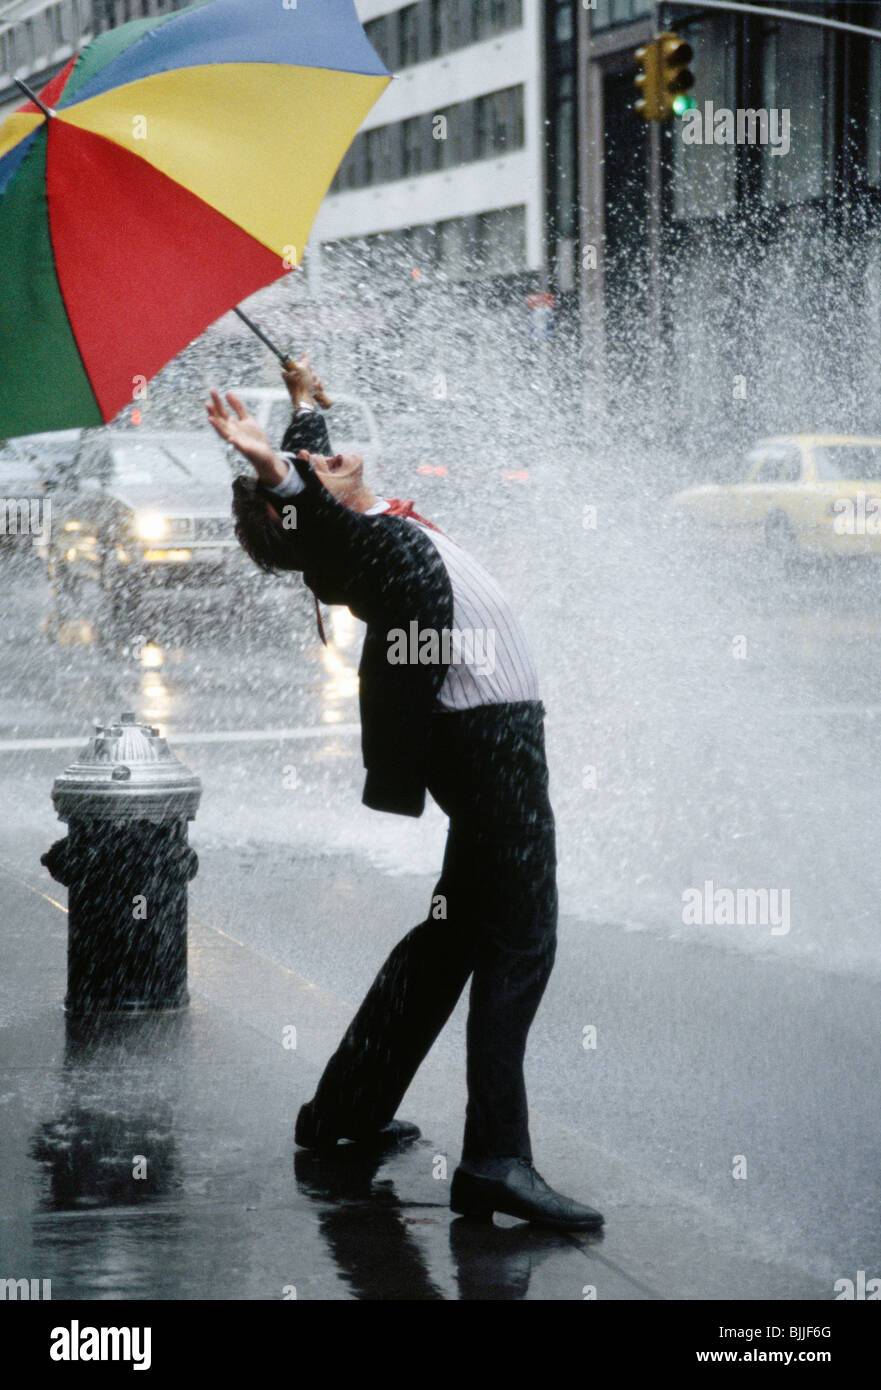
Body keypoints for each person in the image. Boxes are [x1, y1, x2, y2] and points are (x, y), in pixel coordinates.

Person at [206, 359, 603, 1232]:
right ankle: (496, 1160)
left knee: (450, 939)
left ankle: (342, 1113)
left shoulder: (360, 522)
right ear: (301, 511)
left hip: (482, 739)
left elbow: (314, 478)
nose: (330, 455)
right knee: (520, 942)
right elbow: (312, 520)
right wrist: (271, 469)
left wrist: (301, 410)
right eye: (313, 465)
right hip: (489, 746)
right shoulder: (361, 546)